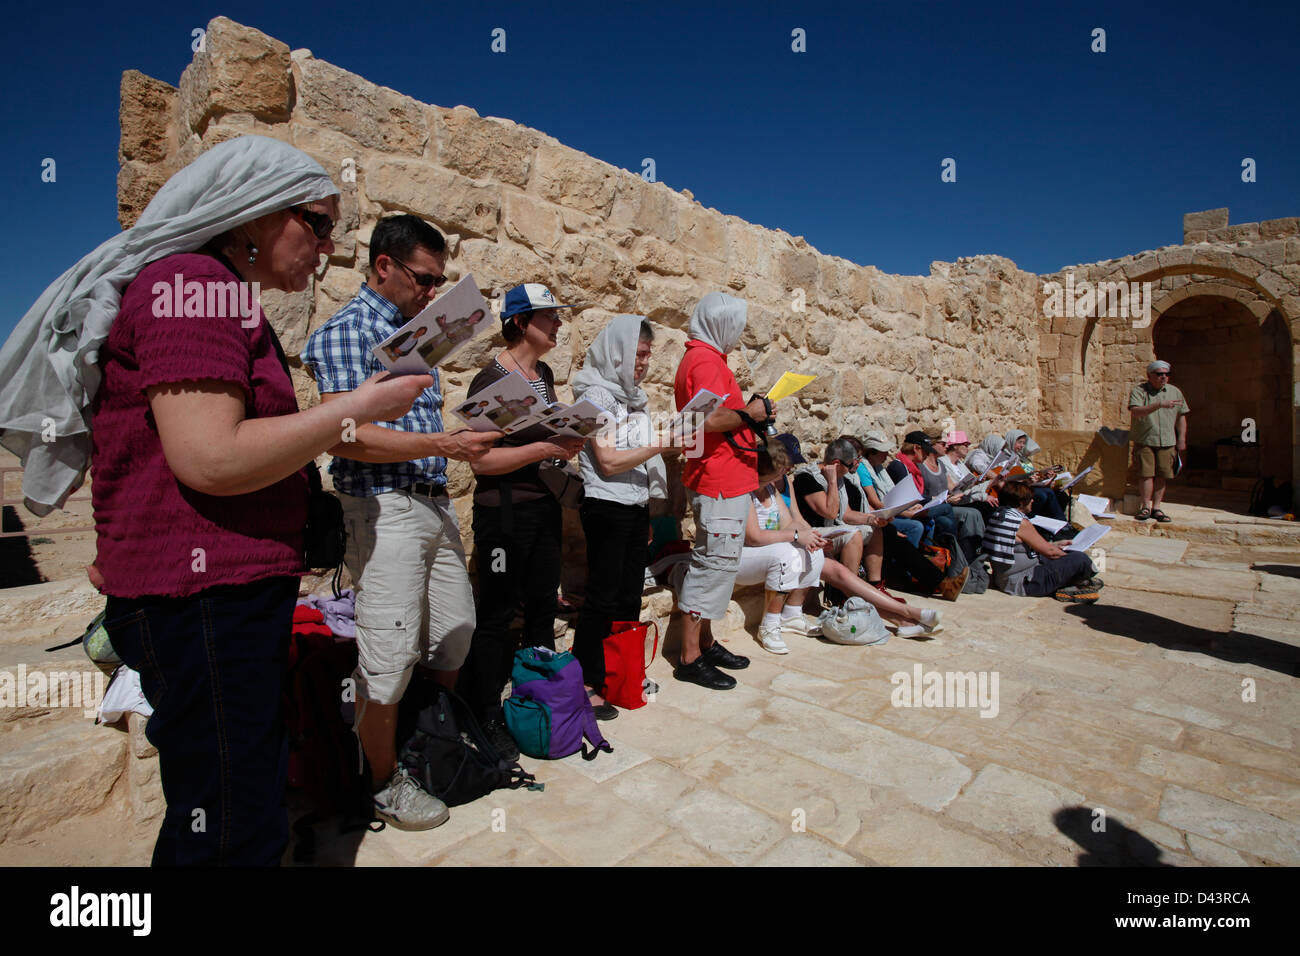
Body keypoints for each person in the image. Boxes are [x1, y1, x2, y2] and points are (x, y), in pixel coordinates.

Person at [0, 136, 438, 864]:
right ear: (253, 217)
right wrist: (359, 408)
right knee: (232, 818)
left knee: (231, 795)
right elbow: (210, 457)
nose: (327, 247)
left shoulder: (216, 292)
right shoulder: (193, 287)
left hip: (216, 591)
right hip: (205, 597)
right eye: (317, 223)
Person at [302, 214, 501, 831]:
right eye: (423, 278)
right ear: (382, 266)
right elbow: (346, 435)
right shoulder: (347, 332)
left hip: (431, 502)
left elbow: (413, 430)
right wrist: (442, 444)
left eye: (440, 282)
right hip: (381, 506)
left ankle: (414, 738)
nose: (431, 292)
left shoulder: (419, 338)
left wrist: (459, 438)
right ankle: (381, 780)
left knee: (455, 630)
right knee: (387, 653)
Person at [457, 283, 587, 753]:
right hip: (504, 515)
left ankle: (538, 706)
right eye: (547, 316)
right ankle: (483, 714)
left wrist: (567, 439)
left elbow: (543, 439)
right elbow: (480, 462)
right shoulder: (490, 380)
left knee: (540, 609)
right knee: (496, 616)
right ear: (519, 322)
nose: (557, 323)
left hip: (543, 509)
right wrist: (545, 448)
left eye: (556, 315)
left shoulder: (545, 372)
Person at [570, 315, 679, 718]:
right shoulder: (593, 397)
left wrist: (646, 510)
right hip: (605, 506)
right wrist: (662, 445)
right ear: (617, 352)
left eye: (648, 355)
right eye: (639, 354)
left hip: (632, 507)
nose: (644, 362)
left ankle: (619, 672)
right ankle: (586, 680)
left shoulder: (634, 398)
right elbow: (610, 460)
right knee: (602, 594)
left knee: (630, 592)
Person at [741, 442, 943, 652]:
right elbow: (827, 514)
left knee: (841, 563)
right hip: (770, 549)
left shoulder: (774, 486)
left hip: (786, 541)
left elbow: (792, 520)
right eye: (784, 467)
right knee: (836, 568)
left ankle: (905, 617)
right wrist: (801, 533)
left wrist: (810, 536)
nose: (789, 471)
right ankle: (905, 615)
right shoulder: (772, 486)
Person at [671, 291, 774, 690]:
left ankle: (707, 643)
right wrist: (751, 412)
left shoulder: (706, 359)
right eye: (737, 325)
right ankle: (690, 656)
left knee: (719, 563)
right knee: (711, 563)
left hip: (724, 476)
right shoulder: (705, 361)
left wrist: (750, 412)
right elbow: (707, 419)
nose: (740, 332)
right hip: (719, 479)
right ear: (722, 323)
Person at [980, 481, 1101, 602]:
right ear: (1021, 502)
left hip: (1004, 579)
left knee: (1066, 556)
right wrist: (1070, 561)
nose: (1033, 501)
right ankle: (1074, 584)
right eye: (1030, 499)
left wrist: (1055, 545)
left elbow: (1027, 545)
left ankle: (1077, 581)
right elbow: (1050, 552)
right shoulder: (1020, 523)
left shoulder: (999, 515)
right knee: (1080, 559)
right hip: (1024, 581)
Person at [1128, 359, 1189, 523]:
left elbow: (1181, 417)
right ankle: (1145, 506)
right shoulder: (1140, 391)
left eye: (1166, 374)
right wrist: (1159, 404)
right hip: (1146, 439)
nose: (1163, 377)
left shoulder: (1175, 392)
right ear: (1149, 375)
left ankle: (1157, 507)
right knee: (1146, 475)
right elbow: (1135, 411)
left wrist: (1181, 438)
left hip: (1167, 440)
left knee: (1163, 475)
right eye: (1159, 374)